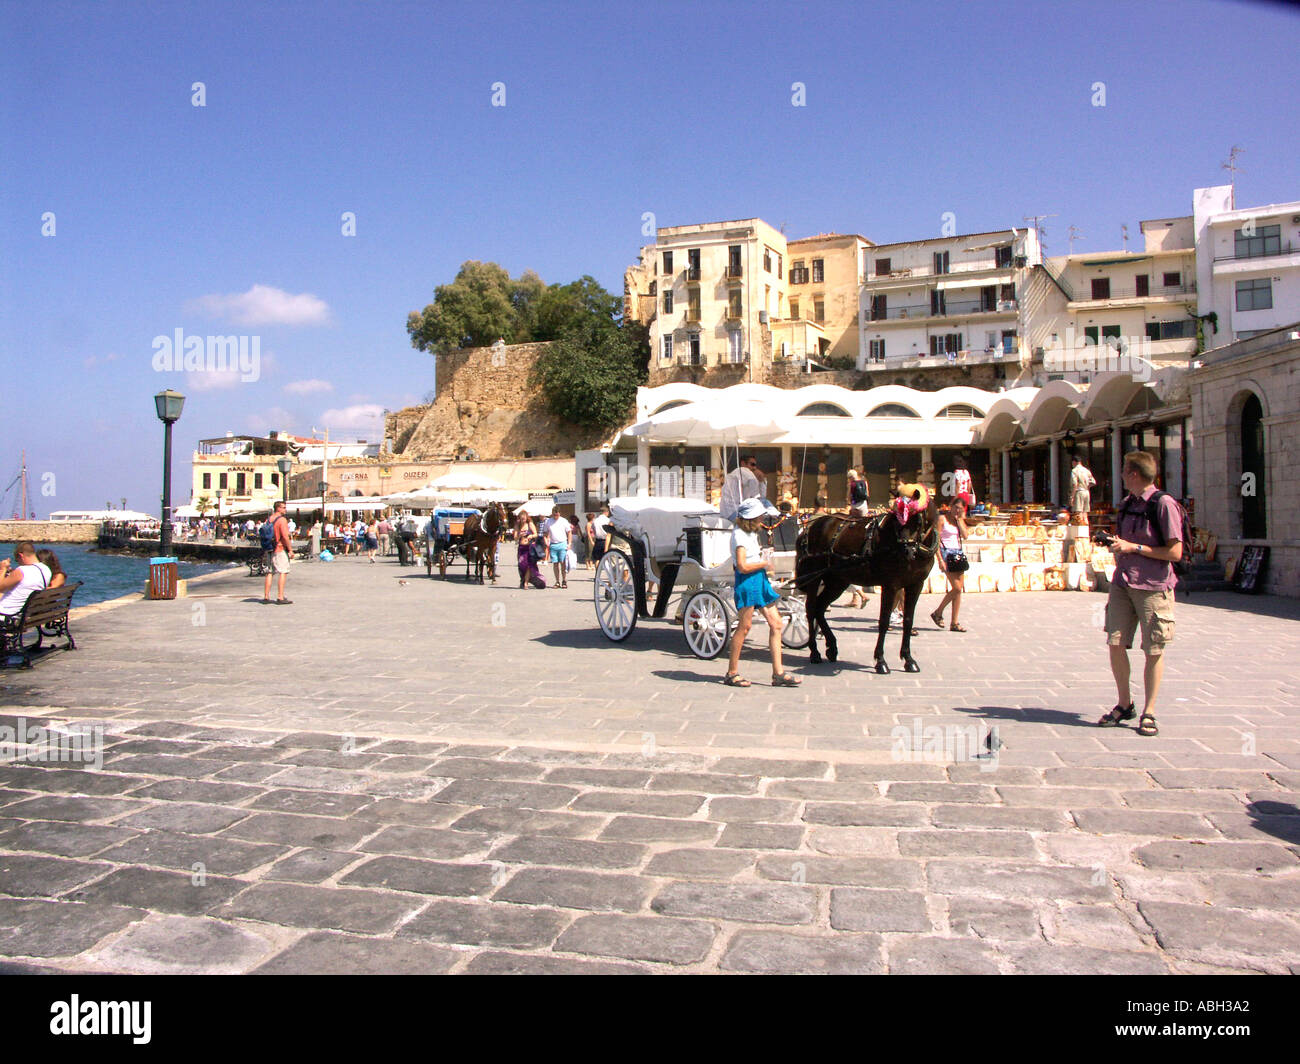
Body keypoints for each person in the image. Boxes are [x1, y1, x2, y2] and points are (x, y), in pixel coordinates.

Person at [1098, 451, 1182, 737]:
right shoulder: (1127, 504)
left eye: (1123, 470)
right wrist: (1116, 545)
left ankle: (1150, 711)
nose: (1121, 475)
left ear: (1133, 474)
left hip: (1153, 587)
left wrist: (1134, 548)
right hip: (1123, 582)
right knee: (1115, 640)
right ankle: (1124, 703)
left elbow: (1175, 551)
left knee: (1153, 648)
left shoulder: (1163, 504)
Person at [724, 499, 799, 688]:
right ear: (752, 518)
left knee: (776, 623)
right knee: (744, 626)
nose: (762, 518)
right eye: (760, 516)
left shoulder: (750, 533)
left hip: (760, 579)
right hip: (748, 581)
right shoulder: (739, 535)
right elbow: (741, 566)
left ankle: (778, 673)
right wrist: (764, 563)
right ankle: (732, 673)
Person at [930, 493, 970, 632]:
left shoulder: (958, 521)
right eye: (955, 507)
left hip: (958, 554)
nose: (957, 510)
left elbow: (965, 536)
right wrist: (939, 559)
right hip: (946, 554)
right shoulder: (942, 519)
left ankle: (954, 622)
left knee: (959, 591)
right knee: (957, 587)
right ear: (951, 506)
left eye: (960, 509)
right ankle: (938, 612)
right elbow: (936, 539)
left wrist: (959, 521)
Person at [0, 542, 52, 616]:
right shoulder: (46, 569)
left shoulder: (22, 570)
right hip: (24, 613)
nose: (18, 563)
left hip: (7, 614)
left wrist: (3, 569)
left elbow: (0, 588)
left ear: (21, 556)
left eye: (17, 560)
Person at [262, 501, 293, 604]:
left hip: (269, 548)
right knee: (283, 571)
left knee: (269, 572)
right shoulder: (282, 520)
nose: (285, 509)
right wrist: (290, 550)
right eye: (283, 507)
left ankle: (266, 596)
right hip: (279, 548)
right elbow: (285, 536)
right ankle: (280, 597)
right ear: (278, 508)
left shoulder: (269, 519)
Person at [515, 509, 545, 589]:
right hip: (521, 548)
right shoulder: (517, 525)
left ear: (526, 517)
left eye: (524, 519)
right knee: (521, 565)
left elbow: (535, 534)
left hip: (529, 548)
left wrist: (530, 536)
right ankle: (523, 580)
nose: (522, 520)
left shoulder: (530, 524)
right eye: (521, 519)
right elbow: (515, 537)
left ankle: (525, 583)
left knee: (528, 565)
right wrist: (519, 535)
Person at [544, 506, 572, 589]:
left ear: (559, 513)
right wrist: (546, 540)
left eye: (557, 515)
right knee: (555, 563)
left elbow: (569, 532)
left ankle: (564, 580)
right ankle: (557, 581)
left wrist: (569, 543)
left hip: (562, 543)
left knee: (563, 563)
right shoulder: (548, 521)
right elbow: (545, 532)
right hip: (553, 544)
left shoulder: (564, 521)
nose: (555, 516)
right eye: (554, 515)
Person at [1070, 454, 1096, 520]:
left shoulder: (1074, 471)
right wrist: (1087, 487)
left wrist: (1072, 496)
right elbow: (1093, 482)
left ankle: (1079, 528)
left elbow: (1074, 484)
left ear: (1074, 462)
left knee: (1078, 514)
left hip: (1079, 492)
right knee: (1085, 513)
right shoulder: (1087, 471)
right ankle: (1086, 528)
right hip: (1086, 492)